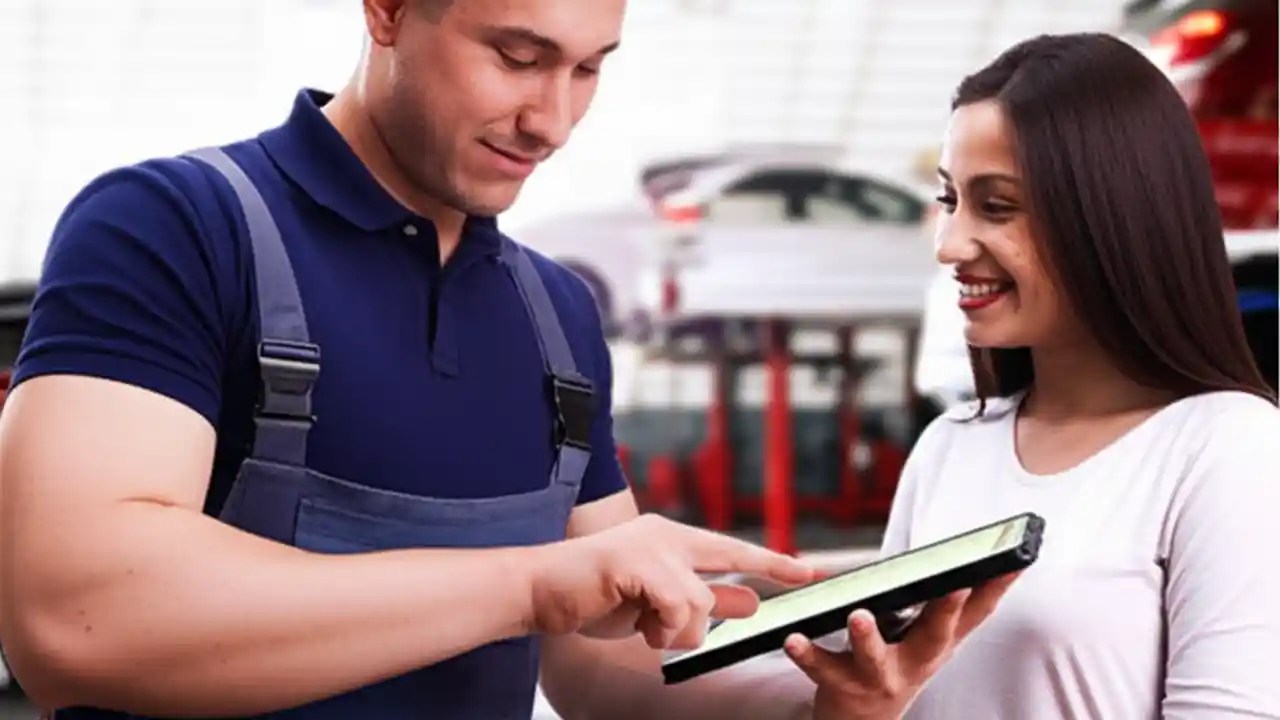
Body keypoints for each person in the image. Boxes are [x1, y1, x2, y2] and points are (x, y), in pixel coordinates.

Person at [0, 1, 1019, 719]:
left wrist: (816, 700)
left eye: (588, 67)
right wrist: (533, 585)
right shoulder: (169, 228)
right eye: (518, 57)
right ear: (387, 9)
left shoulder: (555, 312)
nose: (554, 121)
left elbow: (594, 666)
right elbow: (78, 621)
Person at [879, 32, 1280, 718]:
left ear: (1111, 215)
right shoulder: (949, 444)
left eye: (996, 206)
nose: (949, 245)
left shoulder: (1229, 448)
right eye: (950, 200)